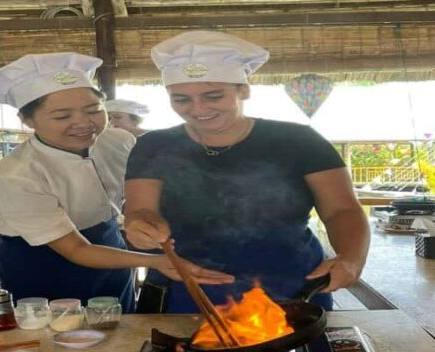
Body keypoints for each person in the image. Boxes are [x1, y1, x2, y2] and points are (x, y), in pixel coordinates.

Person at [123, 30, 370, 314]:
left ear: (244, 89)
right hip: (187, 284)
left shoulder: (299, 140)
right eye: (181, 100)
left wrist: (351, 258)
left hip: (292, 288)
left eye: (213, 96)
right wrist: (140, 227)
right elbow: (141, 211)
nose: (198, 109)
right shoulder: (153, 145)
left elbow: (341, 210)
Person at [0, 52, 234, 310]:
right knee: (59, 337)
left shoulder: (117, 141)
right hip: (43, 261)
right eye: (62, 116)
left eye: (93, 110)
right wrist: (155, 261)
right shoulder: (15, 175)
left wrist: (145, 220)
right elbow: (76, 250)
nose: (83, 123)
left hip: (111, 246)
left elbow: (139, 195)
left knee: (121, 327)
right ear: (27, 120)